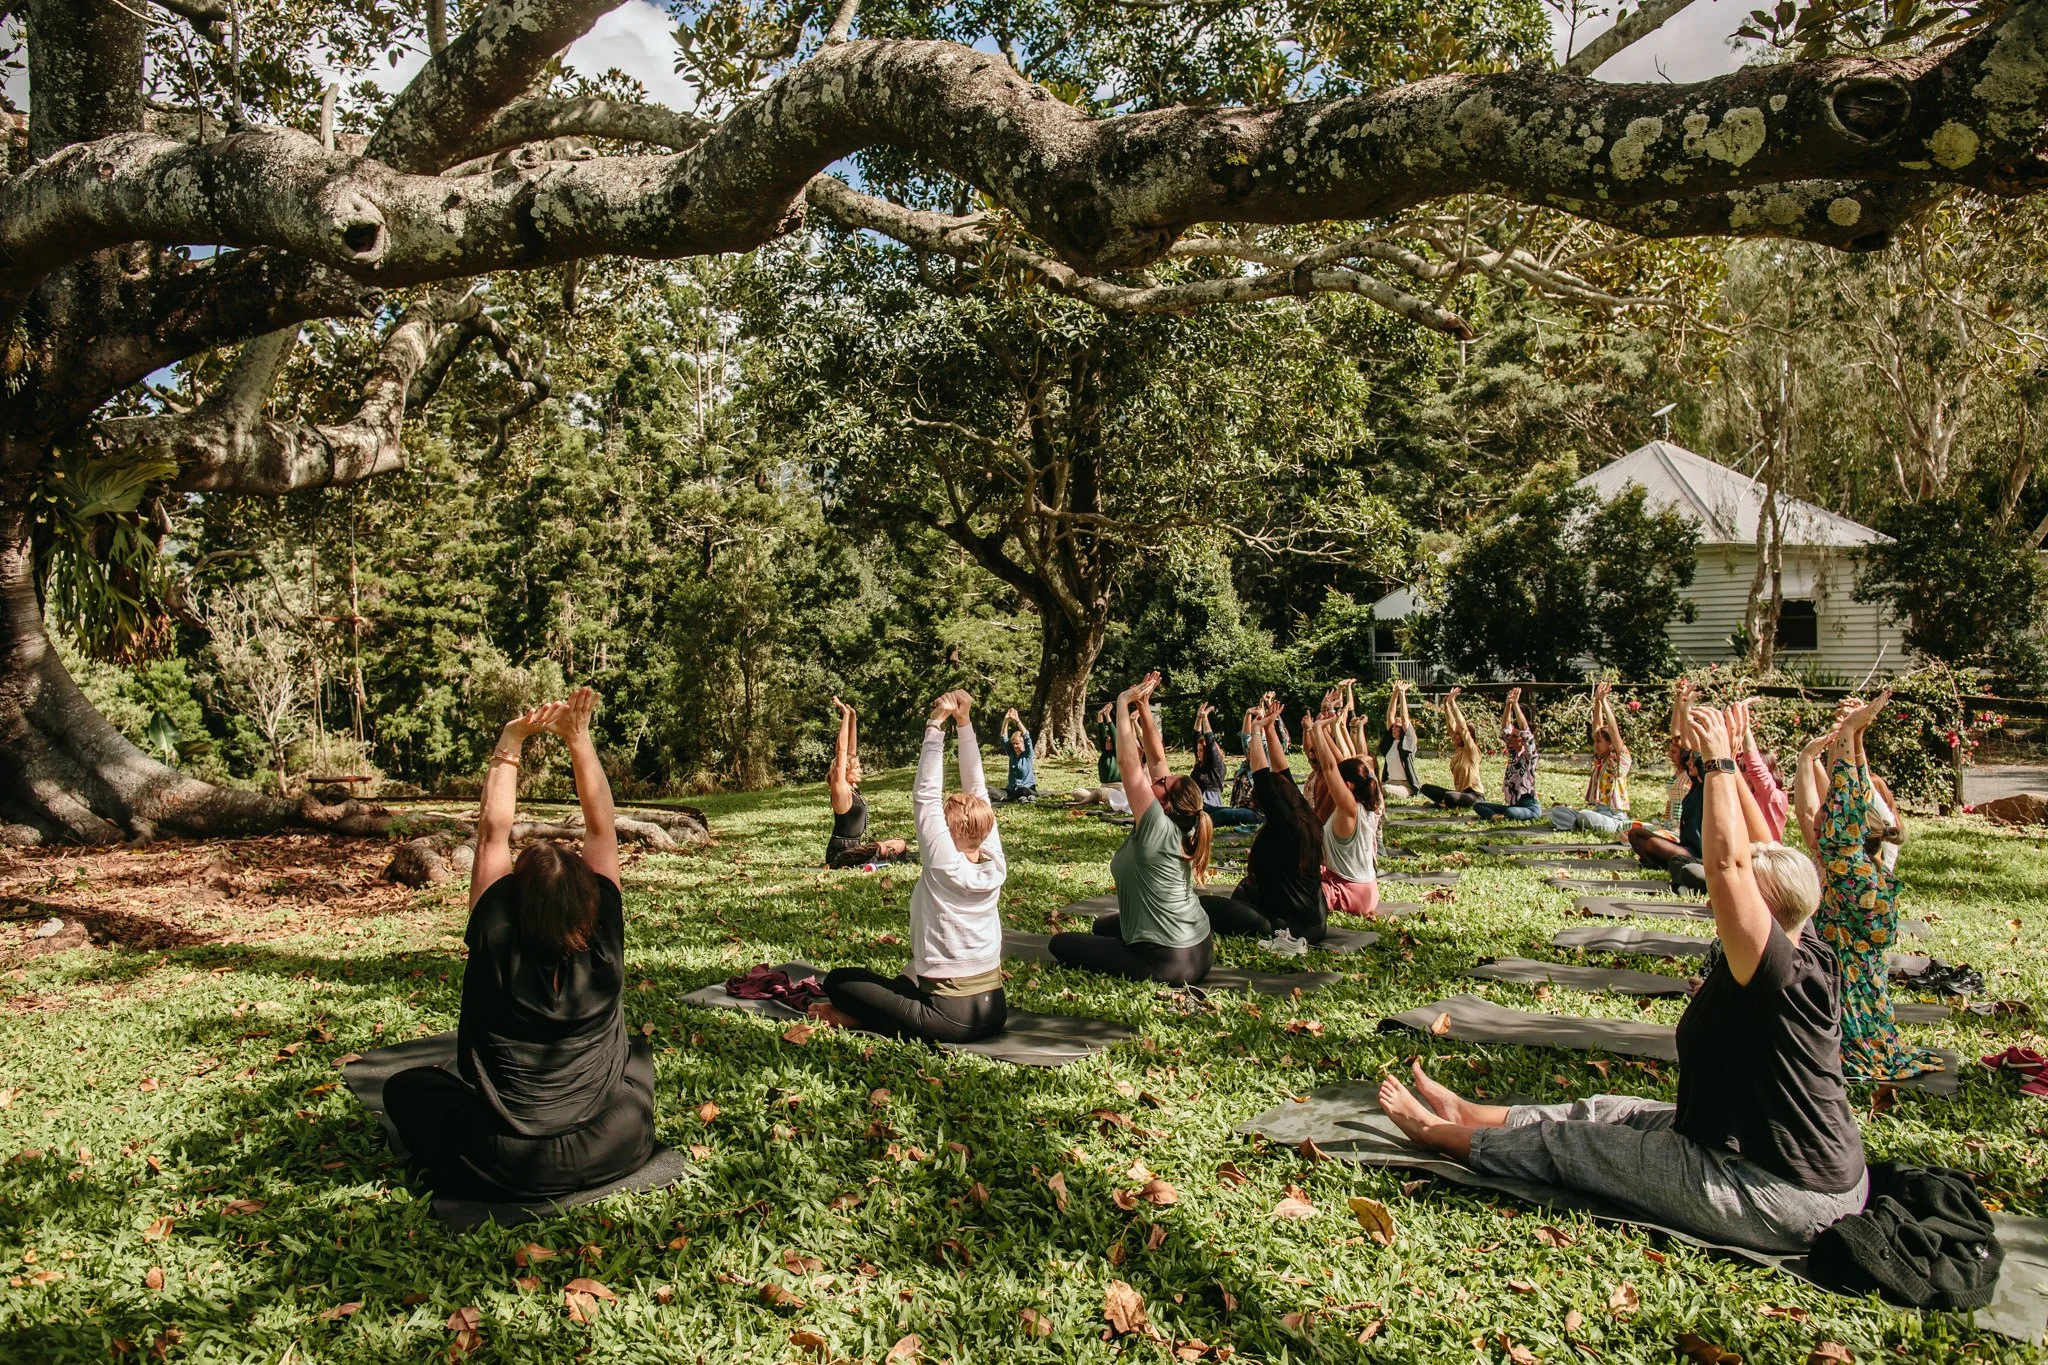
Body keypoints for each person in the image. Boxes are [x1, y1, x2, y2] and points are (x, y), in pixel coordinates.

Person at [1377, 704, 1868, 1255]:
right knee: (1613, 1111)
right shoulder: (1807, 940)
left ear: (1762, 909)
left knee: (1580, 1146)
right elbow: (1760, 850)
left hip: (1780, 1193)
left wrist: (1722, 762)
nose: (1720, 895)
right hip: (1770, 1153)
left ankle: (1439, 1135)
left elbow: (1732, 866)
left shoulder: (1773, 972)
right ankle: (1469, 1114)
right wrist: (1732, 757)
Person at [383, 688, 655, 1200]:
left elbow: (492, 835)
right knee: (638, 1059)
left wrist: (511, 740)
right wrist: (579, 739)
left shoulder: (496, 939)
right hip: (615, 1144)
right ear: (588, 898)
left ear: (514, 903)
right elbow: (603, 827)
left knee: (405, 1089)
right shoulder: (604, 939)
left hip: (507, 1162)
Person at [810, 691, 1008, 1043]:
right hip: (994, 1010)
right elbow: (978, 789)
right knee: (909, 974)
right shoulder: (993, 858)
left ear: (946, 835)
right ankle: (877, 1009)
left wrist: (936, 724)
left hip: (950, 1018)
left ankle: (856, 1016)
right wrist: (964, 723)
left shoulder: (944, 866)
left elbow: (926, 795)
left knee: (839, 981)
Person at [1813, 690, 1944, 1084]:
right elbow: (1858, 795)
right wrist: (1853, 738)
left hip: (1851, 1010)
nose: (1818, 822)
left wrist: (1850, 732)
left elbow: (1847, 806)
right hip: (1863, 997)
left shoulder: (1850, 867)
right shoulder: (1863, 863)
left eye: (1827, 817)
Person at [1049, 672, 1213, 984]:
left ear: (1166, 802)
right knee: (1101, 926)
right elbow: (1156, 755)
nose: (1158, 778)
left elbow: (1128, 764)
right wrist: (1145, 704)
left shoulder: (1155, 823)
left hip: (1168, 960)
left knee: (1060, 944)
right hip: (1200, 947)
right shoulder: (1185, 820)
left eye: (1163, 782)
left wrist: (1124, 701)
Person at [1197, 698, 1327, 943]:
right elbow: (1282, 770)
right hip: (1314, 921)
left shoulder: (1287, 824)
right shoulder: (1303, 814)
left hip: (1289, 927)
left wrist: (1256, 732)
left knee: (1202, 905)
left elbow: (1263, 777)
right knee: (1245, 890)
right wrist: (1269, 728)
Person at [1306, 711, 1384, 918]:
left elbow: (1330, 766)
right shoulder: (1368, 800)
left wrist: (1316, 730)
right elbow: (1341, 762)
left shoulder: (1349, 808)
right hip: (1365, 888)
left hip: (1352, 892)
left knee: (1290, 889)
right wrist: (1323, 730)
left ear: (1347, 786)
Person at [826, 697, 910, 869]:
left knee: (899, 842)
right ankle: (879, 859)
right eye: (857, 768)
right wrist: (844, 716)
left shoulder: (853, 789)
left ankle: (878, 858)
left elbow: (851, 751)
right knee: (880, 847)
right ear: (846, 772)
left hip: (857, 848)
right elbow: (842, 752)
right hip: (840, 854)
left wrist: (853, 716)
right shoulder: (841, 790)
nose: (860, 770)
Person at [1549, 681, 1632, 835]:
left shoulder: (1620, 760)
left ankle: (1591, 825)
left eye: (1599, 741)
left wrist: (1605, 702)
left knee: (1585, 816)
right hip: (1598, 812)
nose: (1595, 744)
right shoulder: (1600, 760)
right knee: (1558, 812)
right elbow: (1597, 727)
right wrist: (1597, 701)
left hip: (1615, 817)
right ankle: (1579, 825)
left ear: (1610, 743)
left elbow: (1614, 731)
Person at [1471, 688, 1542, 821]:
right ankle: (1495, 817)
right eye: (1512, 737)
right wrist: (1508, 704)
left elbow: (1526, 732)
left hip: (1529, 807)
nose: (1512, 739)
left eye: (1516, 737)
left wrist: (1515, 705)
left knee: (1510, 812)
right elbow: (1505, 729)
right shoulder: (1514, 755)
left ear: (1522, 740)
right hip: (1514, 805)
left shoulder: (1530, 756)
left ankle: (1506, 816)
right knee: (1478, 806)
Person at [1732, 698, 1791, 842]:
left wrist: (1745, 726)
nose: (1740, 772)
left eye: (1744, 768)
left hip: (1766, 859)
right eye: (1740, 767)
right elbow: (1730, 756)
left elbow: (1756, 769)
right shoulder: (1742, 794)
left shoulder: (1771, 796)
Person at [1419, 686, 1484, 809]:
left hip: (1474, 796)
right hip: (1460, 794)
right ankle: (1445, 803)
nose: (1455, 735)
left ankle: (1444, 804)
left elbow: (1462, 726)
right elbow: (1451, 727)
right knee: (1425, 788)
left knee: (1450, 796)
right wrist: (1446, 705)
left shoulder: (1472, 750)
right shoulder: (1459, 750)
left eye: (1458, 734)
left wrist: (1453, 703)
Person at [1063, 703, 1129, 810]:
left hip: (1118, 790)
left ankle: (1082, 803)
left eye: (1110, 742)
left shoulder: (1118, 753)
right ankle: (1096, 801)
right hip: (1104, 788)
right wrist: (1099, 716)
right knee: (1076, 792)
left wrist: (1107, 716)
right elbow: (1102, 734)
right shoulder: (1104, 754)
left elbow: (1114, 735)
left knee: (1099, 792)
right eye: (1106, 741)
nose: (1107, 743)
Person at [1380, 680, 1422, 798]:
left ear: (1403, 730)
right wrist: (1395, 693)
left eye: (1397, 727)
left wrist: (1402, 694)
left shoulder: (1409, 741)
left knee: (1385, 789)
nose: (1394, 729)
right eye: (1393, 727)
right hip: (1389, 782)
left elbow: (1404, 717)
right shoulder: (1391, 742)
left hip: (1404, 786)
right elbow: (1390, 715)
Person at [990, 708, 1037, 804]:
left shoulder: (1028, 755)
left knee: (1022, 790)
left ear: (1023, 744)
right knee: (988, 789)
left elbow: (1027, 736)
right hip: (1011, 790)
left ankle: (1018, 798)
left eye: (1018, 743)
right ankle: (1009, 798)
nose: (1015, 746)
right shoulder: (1012, 754)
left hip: (1026, 788)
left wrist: (1017, 721)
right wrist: (1006, 720)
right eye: (1014, 744)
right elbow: (1003, 737)